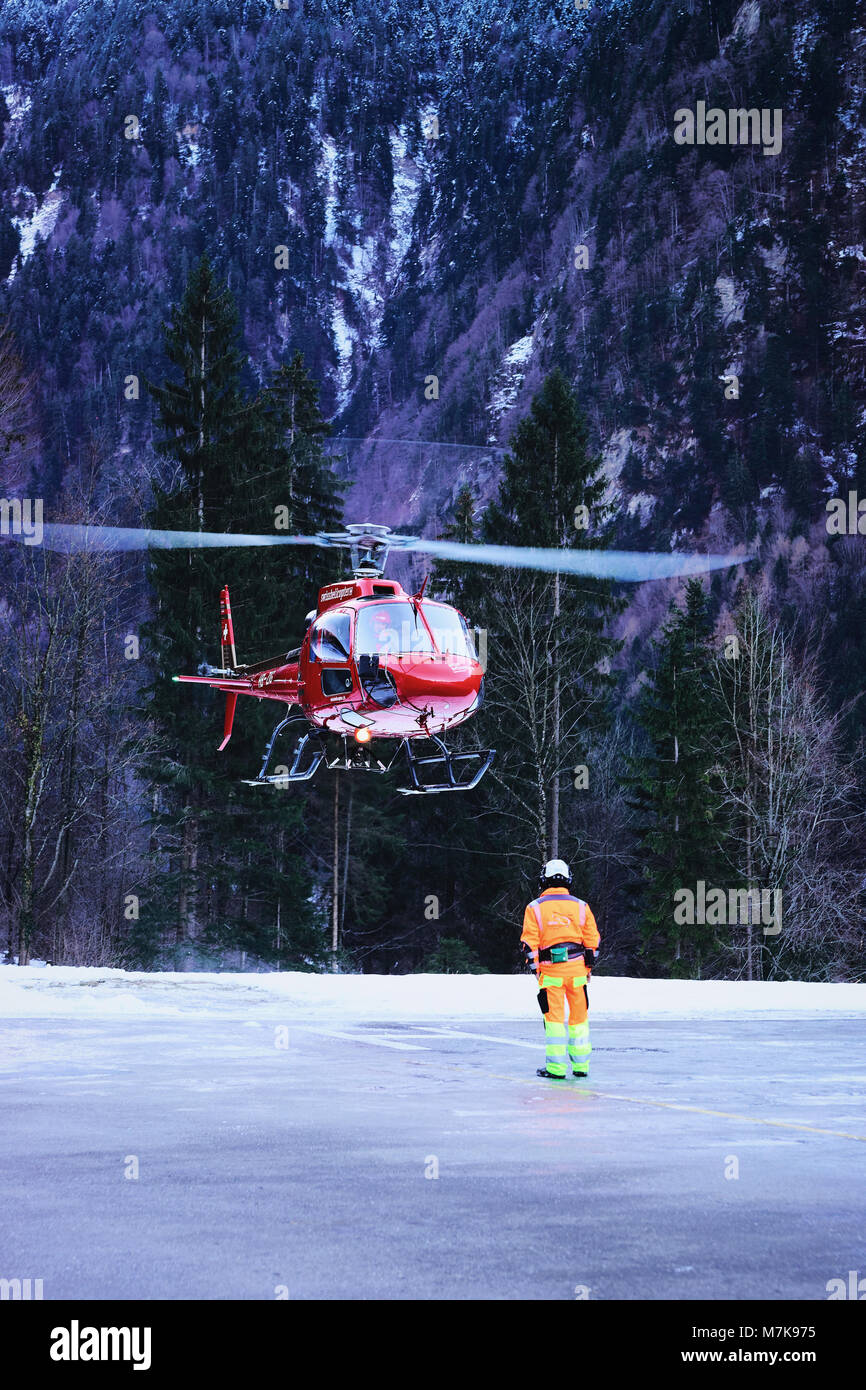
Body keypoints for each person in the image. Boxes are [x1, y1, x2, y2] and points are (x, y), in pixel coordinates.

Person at [520, 859, 600, 1080]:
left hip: (551, 975)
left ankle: (556, 1069)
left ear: (543, 879)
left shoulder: (534, 908)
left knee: (554, 1022)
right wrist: (588, 967)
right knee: (579, 1020)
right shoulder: (581, 906)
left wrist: (536, 970)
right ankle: (581, 1066)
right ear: (568, 879)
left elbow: (529, 944)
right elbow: (592, 940)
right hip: (577, 975)